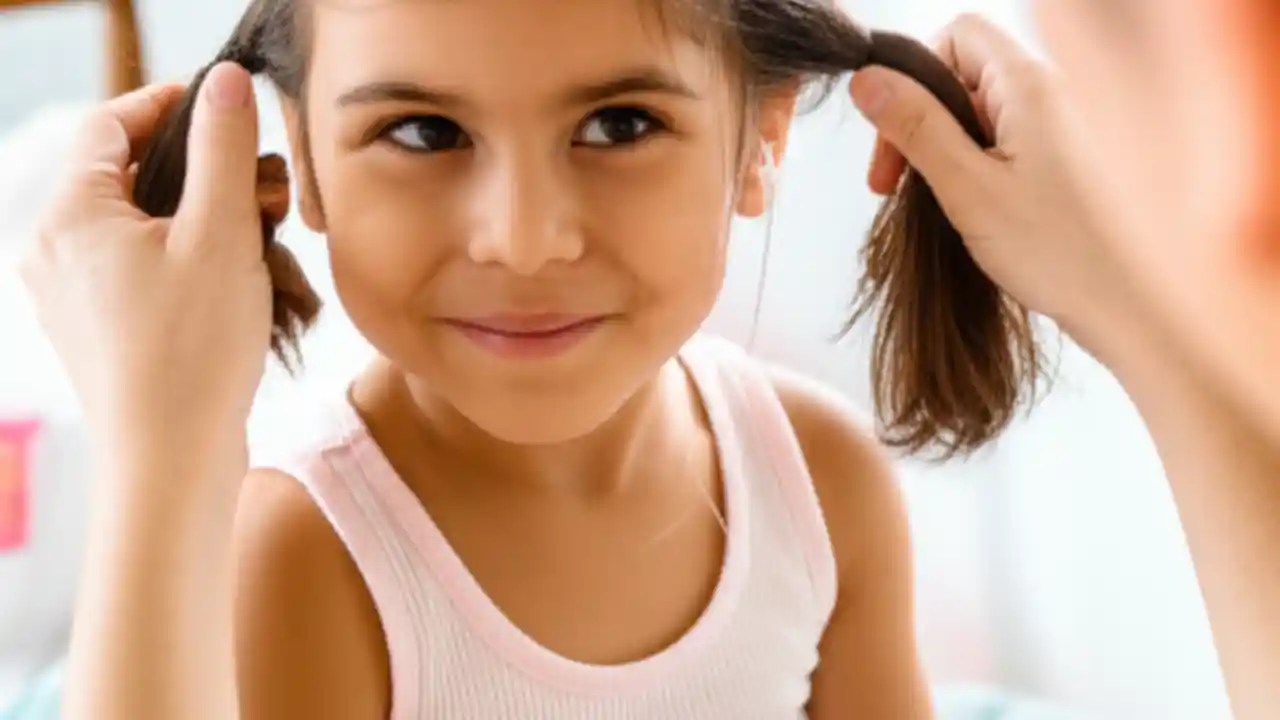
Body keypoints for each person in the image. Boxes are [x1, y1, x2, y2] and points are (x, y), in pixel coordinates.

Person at [15, 4, 1275, 720]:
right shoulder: (304, 554)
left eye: (618, 124)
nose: (523, 239)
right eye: (421, 130)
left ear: (759, 137)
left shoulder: (816, 478)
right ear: (304, 159)